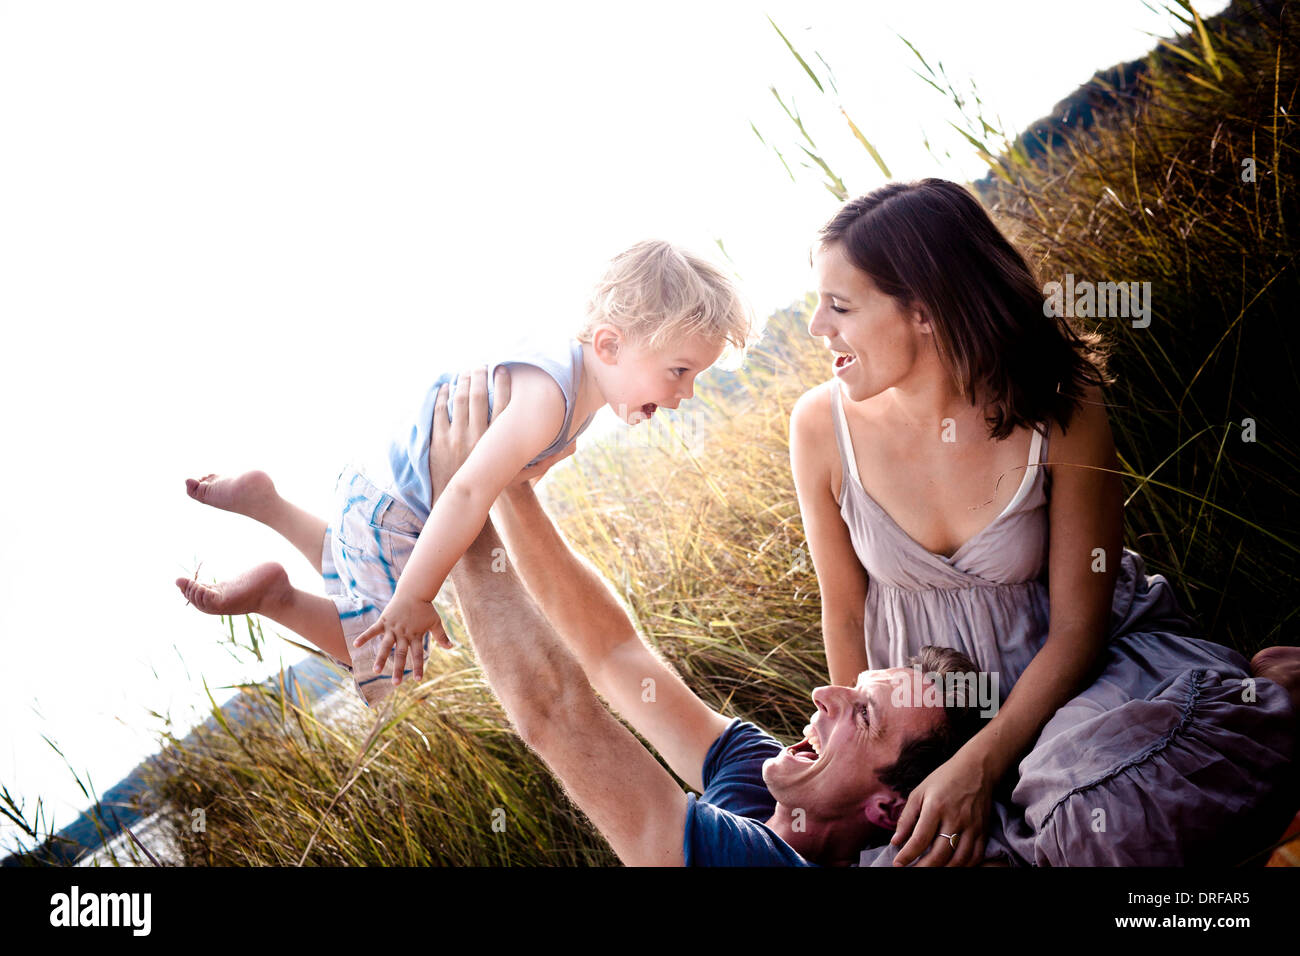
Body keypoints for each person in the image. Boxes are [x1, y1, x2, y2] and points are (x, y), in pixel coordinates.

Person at [790, 178, 1299, 866]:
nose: (818, 327)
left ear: (926, 311)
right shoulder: (820, 426)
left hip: (1068, 685)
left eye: (840, 306)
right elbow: (846, 616)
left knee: (1112, 819)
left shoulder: (1061, 400)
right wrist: (867, 760)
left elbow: (1078, 629)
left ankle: (1263, 693)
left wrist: (981, 766)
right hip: (925, 720)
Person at [431, 367, 992, 866]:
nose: (827, 693)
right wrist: (504, 483)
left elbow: (554, 714)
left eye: (864, 715)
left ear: (887, 808)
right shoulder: (763, 776)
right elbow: (614, 654)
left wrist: (458, 507)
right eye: (858, 689)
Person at [175, 240, 749, 706]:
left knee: (360, 594)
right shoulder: (551, 398)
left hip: (381, 496)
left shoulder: (575, 388)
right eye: (678, 371)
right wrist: (417, 596)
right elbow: (471, 489)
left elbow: (496, 473)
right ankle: (277, 598)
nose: (683, 395)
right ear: (610, 343)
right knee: (383, 657)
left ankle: (269, 505)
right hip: (398, 509)